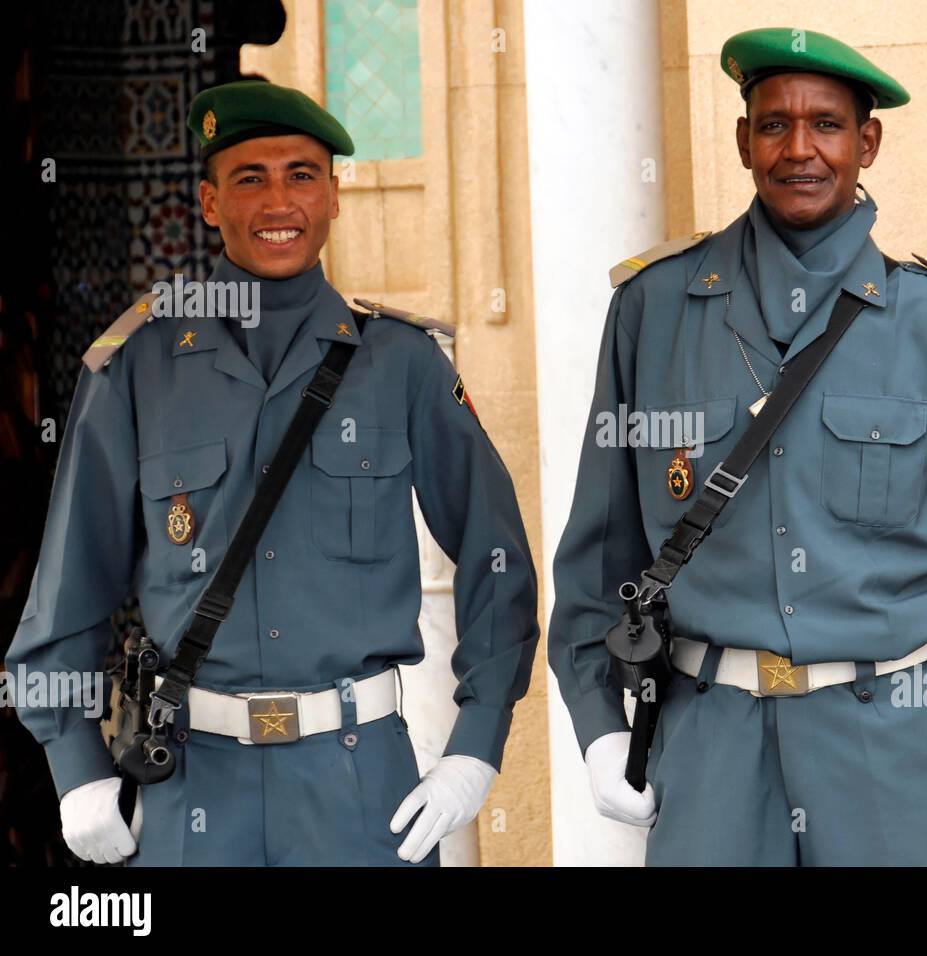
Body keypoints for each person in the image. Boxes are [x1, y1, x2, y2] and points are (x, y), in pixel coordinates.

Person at [6, 79, 539, 866]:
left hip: (362, 789)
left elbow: (499, 558)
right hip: (189, 789)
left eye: (300, 175)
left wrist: (477, 740)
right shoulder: (138, 367)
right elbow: (66, 594)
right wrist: (75, 766)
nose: (278, 200)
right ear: (210, 202)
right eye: (250, 177)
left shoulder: (404, 364)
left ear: (332, 197)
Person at [548, 28, 927, 865]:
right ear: (743, 139)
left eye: (827, 125)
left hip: (891, 752)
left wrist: (879, 639)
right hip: (710, 754)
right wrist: (597, 725)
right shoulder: (652, 311)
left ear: (867, 141)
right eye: (773, 124)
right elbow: (600, 553)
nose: (799, 149)